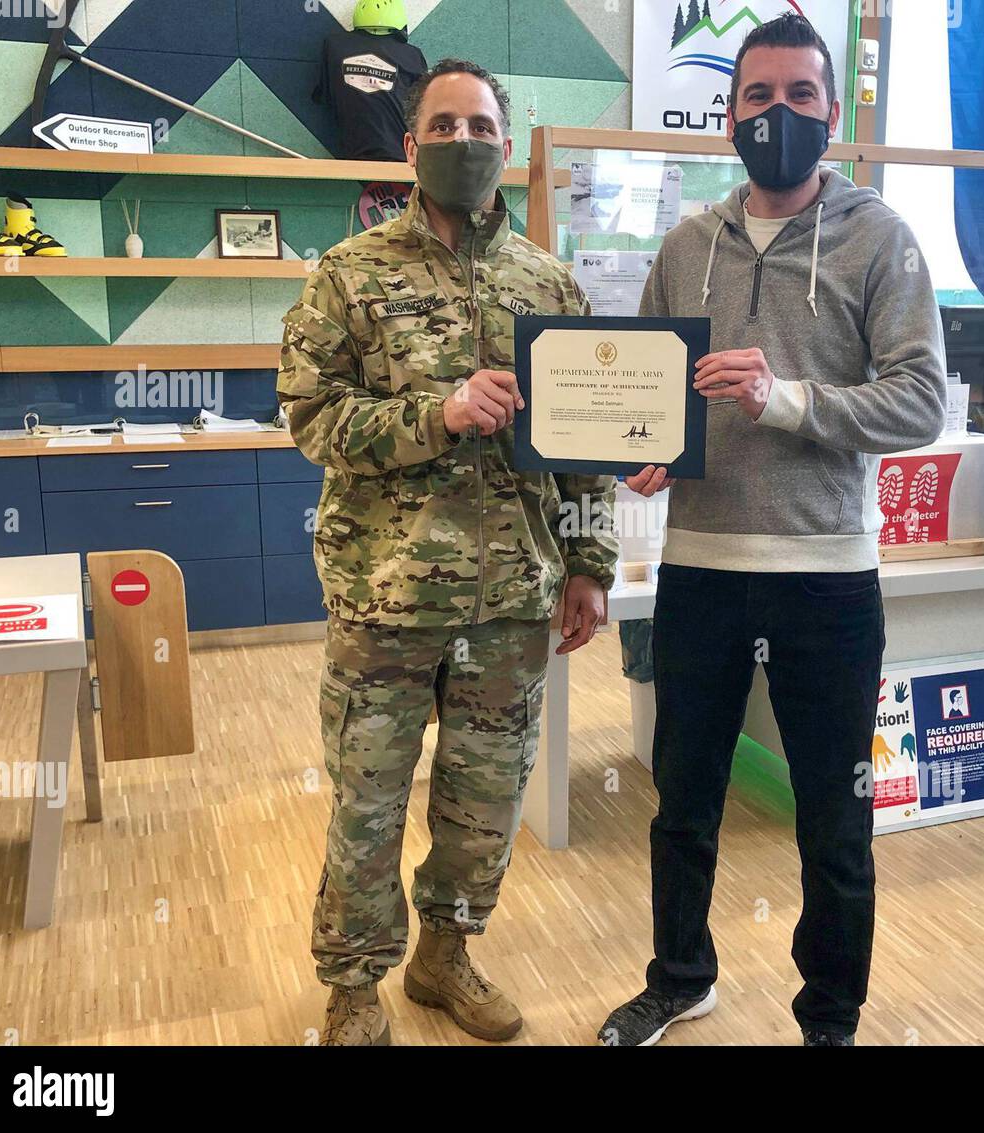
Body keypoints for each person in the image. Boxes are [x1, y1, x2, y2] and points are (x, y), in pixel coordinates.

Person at [599, 13, 947, 1047]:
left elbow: (918, 401)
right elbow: (658, 394)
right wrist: (645, 447)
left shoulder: (879, 237)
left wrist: (786, 400)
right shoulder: (685, 246)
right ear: (729, 113)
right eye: (760, 97)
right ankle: (678, 976)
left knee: (834, 819)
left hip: (828, 579)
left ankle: (829, 1017)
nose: (778, 115)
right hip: (699, 567)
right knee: (682, 800)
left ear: (830, 115)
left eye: (800, 96)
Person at [278, 58, 618, 1047]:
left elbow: (589, 448)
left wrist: (590, 562)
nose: (462, 141)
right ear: (408, 143)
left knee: (483, 809)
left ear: (506, 146)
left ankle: (445, 955)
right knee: (367, 804)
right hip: (383, 598)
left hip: (511, 602)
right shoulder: (347, 275)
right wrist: (439, 413)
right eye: (443, 124)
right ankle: (351, 985)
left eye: (481, 126)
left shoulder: (549, 283)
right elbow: (311, 417)